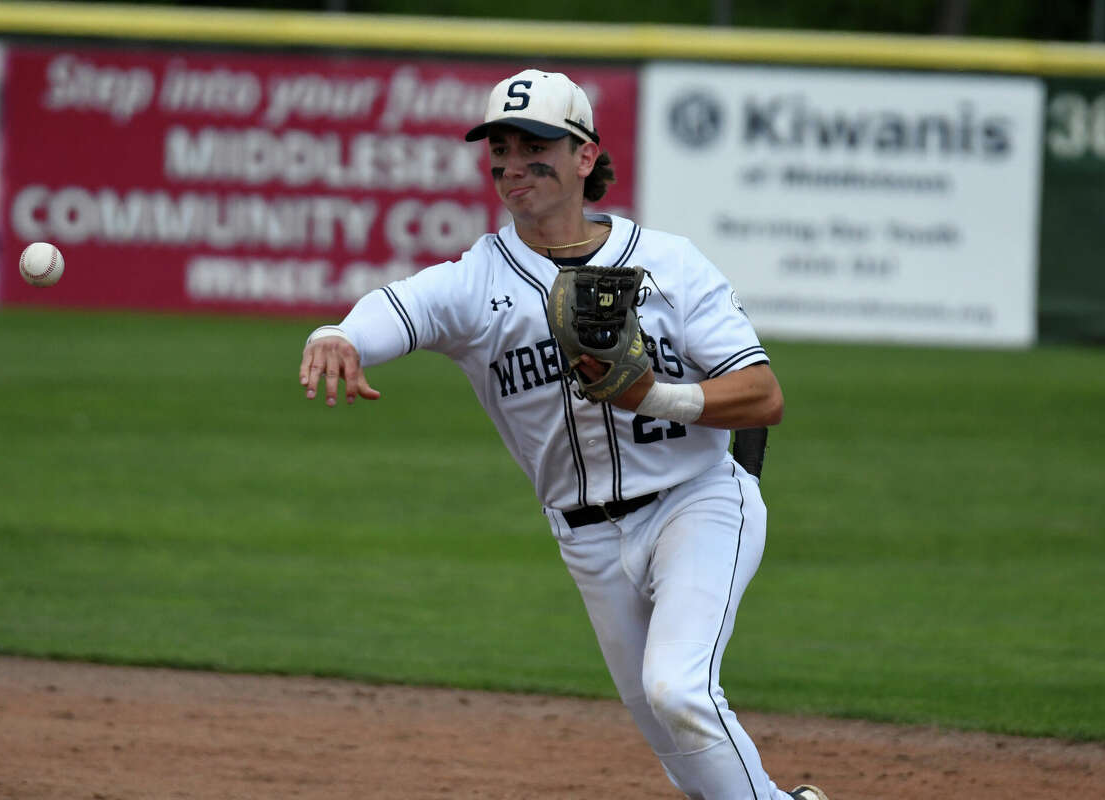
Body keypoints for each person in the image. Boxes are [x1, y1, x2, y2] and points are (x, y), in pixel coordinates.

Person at [299, 68, 828, 800]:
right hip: (585, 538)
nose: (514, 165)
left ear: (585, 156)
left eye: (536, 145)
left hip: (697, 503)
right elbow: (395, 309)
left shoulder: (671, 264)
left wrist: (655, 396)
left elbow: (762, 394)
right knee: (665, 731)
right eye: (501, 149)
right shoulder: (477, 280)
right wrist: (340, 335)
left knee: (680, 691)